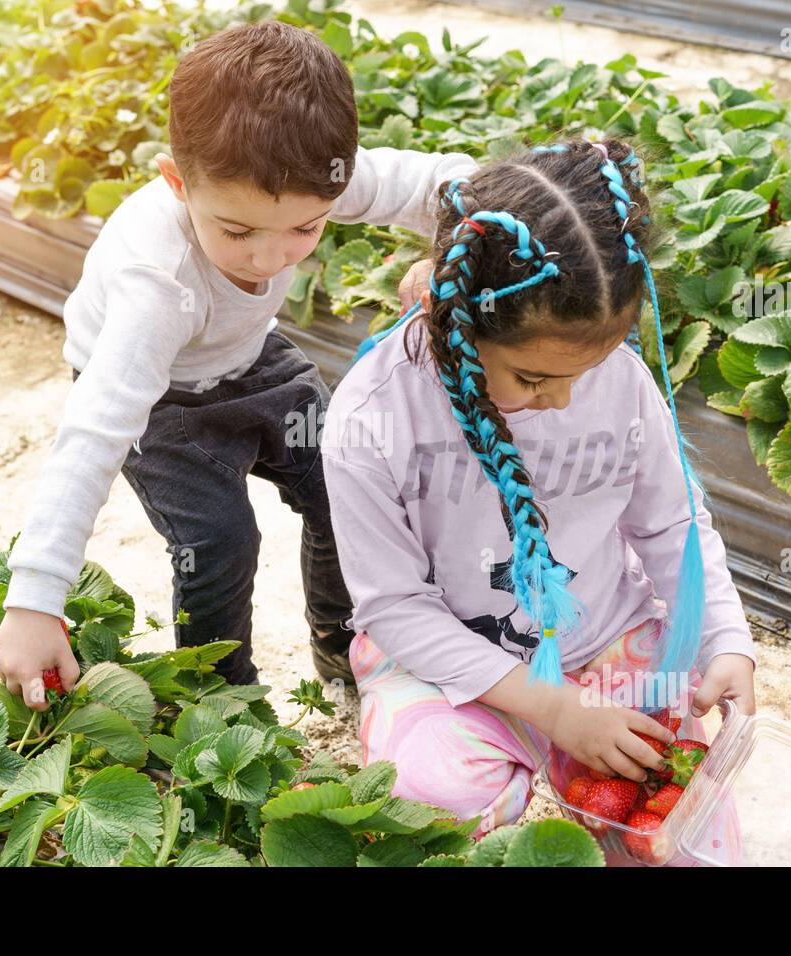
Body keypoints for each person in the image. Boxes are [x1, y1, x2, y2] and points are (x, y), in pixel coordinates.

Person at [0, 20, 479, 710]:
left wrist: (459, 244)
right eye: (238, 231)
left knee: (349, 480)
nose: (269, 257)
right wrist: (35, 599)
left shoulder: (313, 179)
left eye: (305, 229)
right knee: (219, 540)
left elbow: (449, 181)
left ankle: (346, 649)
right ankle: (218, 701)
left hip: (250, 358)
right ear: (177, 182)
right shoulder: (156, 284)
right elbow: (96, 429)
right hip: (158, 400)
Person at [320, 137, 757, 861]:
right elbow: (394, 606)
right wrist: (554, 707)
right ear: (451, 322)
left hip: (603, 645)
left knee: (678, 838)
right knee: (434, 803)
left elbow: (672, 524)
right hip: (448, 669)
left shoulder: (618, 381)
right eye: (530, 379)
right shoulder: (372, 416)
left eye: (587, 370)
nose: (562, 400)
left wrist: (723, 640)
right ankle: (489, 772)